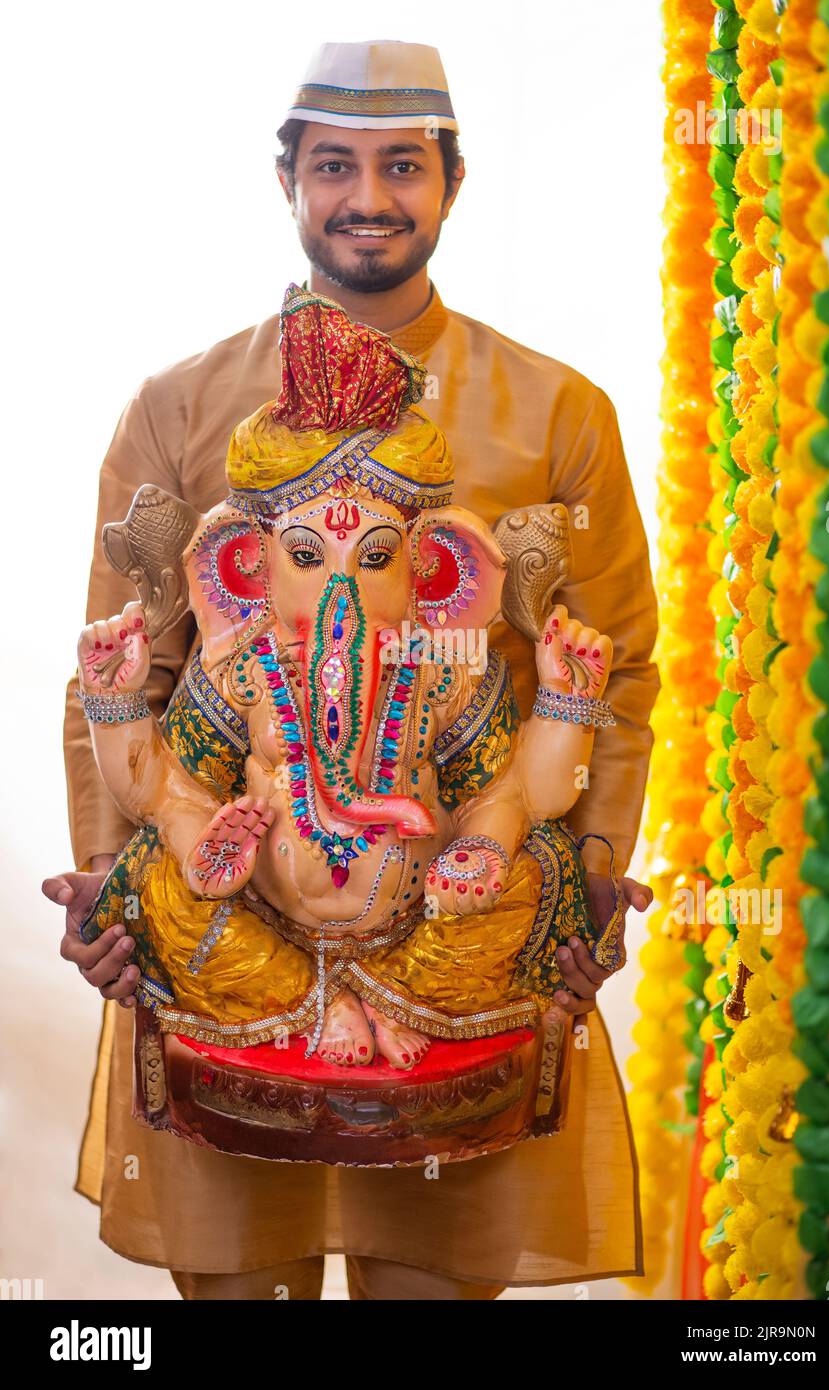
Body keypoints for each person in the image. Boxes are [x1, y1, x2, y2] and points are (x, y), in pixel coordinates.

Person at [44, 40, 660, 1301]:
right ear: (287, 178)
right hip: (232, 973)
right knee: (238, 1279)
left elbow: (619, 672)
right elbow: (120, 664)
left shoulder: (557, 410)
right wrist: (116, 890)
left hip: (457, 972)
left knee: (431, 1286)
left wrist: (580, 876)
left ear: (452, 180)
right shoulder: (181, 404)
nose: (367, 196)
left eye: (400, 164)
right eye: (334, 165)